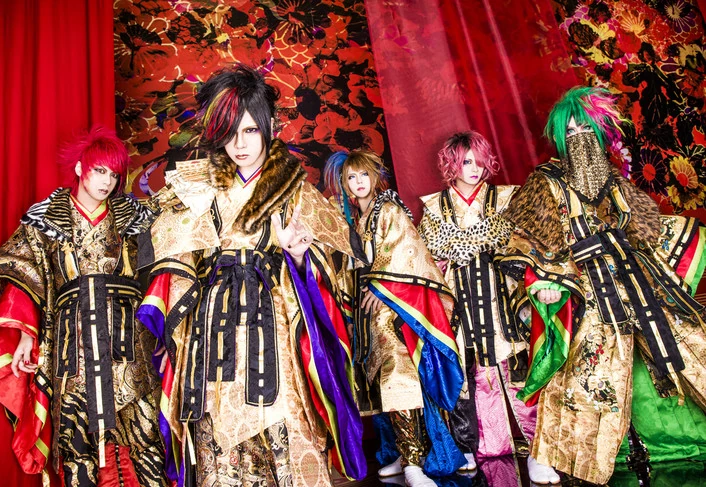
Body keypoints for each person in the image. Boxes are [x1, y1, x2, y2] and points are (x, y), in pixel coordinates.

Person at [136, 64, 366, 487]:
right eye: (230, 133)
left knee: (284, 419)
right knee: (215, 430)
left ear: (268, 128)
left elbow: (334, 263)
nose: (239, 145)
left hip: (274, 316)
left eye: (250, 131)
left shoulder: (294, 188)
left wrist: (299, 256)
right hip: (212, 324)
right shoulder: (198, 186)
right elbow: (172, 256)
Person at [500, 86, 706, 484]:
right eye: (570, 131)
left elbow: (648, 227)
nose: (578, 137)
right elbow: (527, 239)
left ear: (598, 133)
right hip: (588, 284)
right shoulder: (546, 182)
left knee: (692, 343)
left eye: (584, 129)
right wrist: (547, 279)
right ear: (560, 137)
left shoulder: (613, 179)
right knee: (587, 367)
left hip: (637, 278)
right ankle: (550, 455)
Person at [0, 125, 165, 486]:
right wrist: (26, 335)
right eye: (99, 170)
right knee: (76, 438)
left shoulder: (133, 217)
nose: (107, 181)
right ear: (80, 168)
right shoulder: (47, 219)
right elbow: (24, 274)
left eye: (114, 174)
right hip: (71, 343)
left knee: (143, 433)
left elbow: (162, 263)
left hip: (129, 340)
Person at [417, 131, 560, 484]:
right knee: (468, 375)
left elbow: (524, 245)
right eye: (467, 161)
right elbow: (425, 259)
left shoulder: (505, 199)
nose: (475, 169)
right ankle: (471, 445)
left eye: (480, 161)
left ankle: (538, 451)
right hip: (460, 301)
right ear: (452, 164)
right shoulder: (435, 207)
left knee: (519, 369)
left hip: (502, 298)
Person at [323, 150, 466, 487]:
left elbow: (406, 253)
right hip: (365, 316)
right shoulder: (354, 219)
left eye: (364, 175)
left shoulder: (388, 210)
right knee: (376, 385)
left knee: (399, 378)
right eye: (351, 178)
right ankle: (400, 452)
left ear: (375, 177)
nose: (359, 182)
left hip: (394, 311)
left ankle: (416, 462)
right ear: (344, 183)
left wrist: (381, 285)